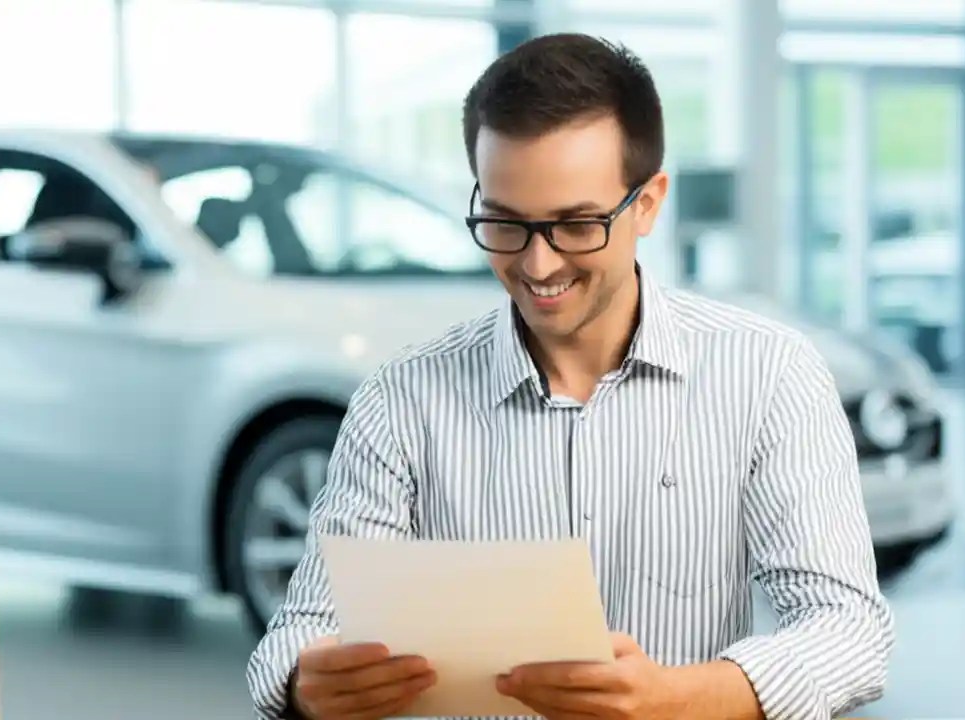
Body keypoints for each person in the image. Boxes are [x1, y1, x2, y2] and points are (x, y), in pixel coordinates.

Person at [247, 32, 894, 720]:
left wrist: (675, 701)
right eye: (505, 224)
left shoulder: (767, 374)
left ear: (648, 203)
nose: (539, 265)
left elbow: (848, 630)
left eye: (578, 225)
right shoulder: (401, 400)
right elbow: (299, 633)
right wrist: (305, 685)